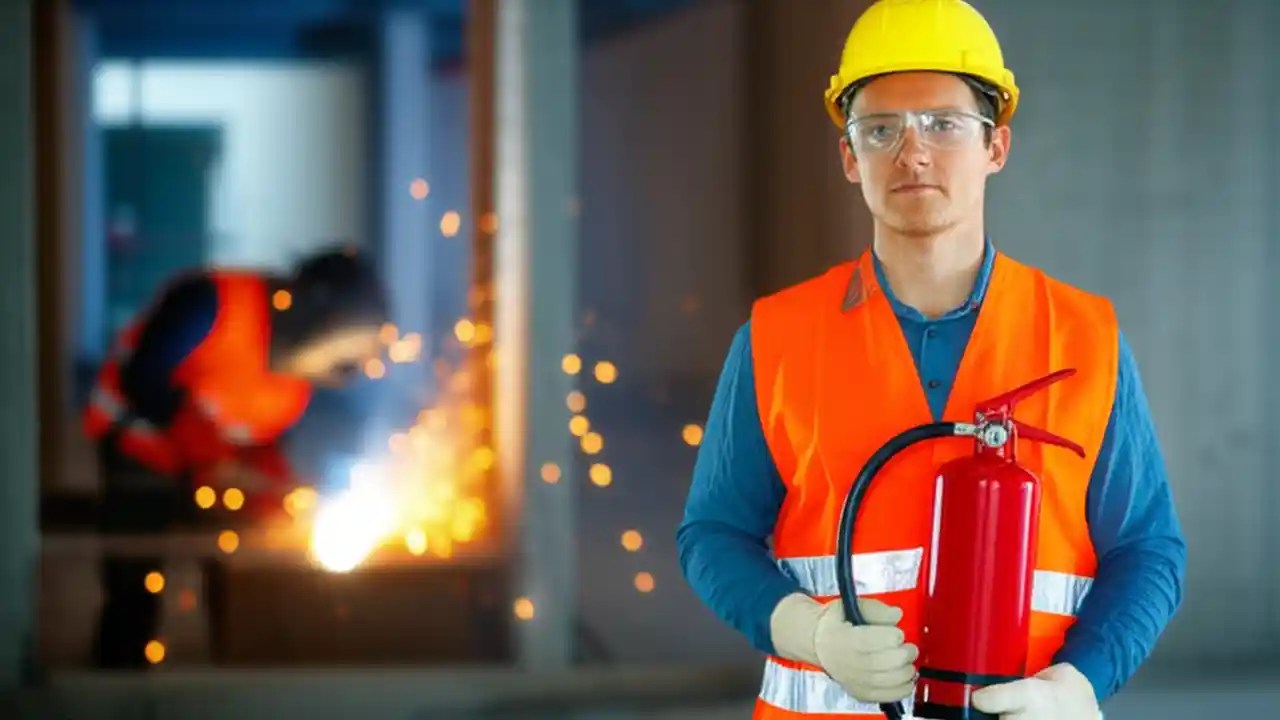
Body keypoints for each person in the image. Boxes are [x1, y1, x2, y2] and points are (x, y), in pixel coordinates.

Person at [676, 1, 1186, 718]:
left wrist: (1076, 686)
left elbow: (1148, 550)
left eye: (944, 124)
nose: (912, 152)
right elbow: (712, 536)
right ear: (850, 157)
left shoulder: (1082, 338)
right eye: (880, 129)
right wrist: (814, 633)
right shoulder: (777, 338)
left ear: (996, 147)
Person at [82, 245, 390, 668]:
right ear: (321, 312)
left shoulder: (294, 387)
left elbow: (259, 447)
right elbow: (143, 376)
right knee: (136, 586)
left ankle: (241, 678)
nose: (353, 366)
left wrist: (284, 495)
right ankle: (116, 688)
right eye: (351, 351)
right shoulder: (211, 302)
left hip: (209, 477)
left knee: (244, 571)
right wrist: (207, 449)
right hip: (139, 448)